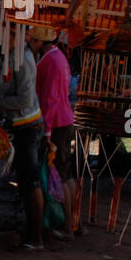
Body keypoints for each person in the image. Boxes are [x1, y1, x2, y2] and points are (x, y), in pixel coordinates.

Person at [0, 38, 46, 249]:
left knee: (30, 182)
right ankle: (29, 233)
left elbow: (25, 100)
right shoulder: (5, 57)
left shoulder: (24, 59)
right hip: (18, 126)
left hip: (28, 127)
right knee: (25, 181)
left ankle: (35, 238)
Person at [31, 27, 78, 237]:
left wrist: (47, 132)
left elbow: (49, 99)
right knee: (66, 173)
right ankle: (74, 223)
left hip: (57, 122)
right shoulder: (58, 56)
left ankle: (68, 225)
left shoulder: (50, 60)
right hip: (64, 119)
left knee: (61, 172)